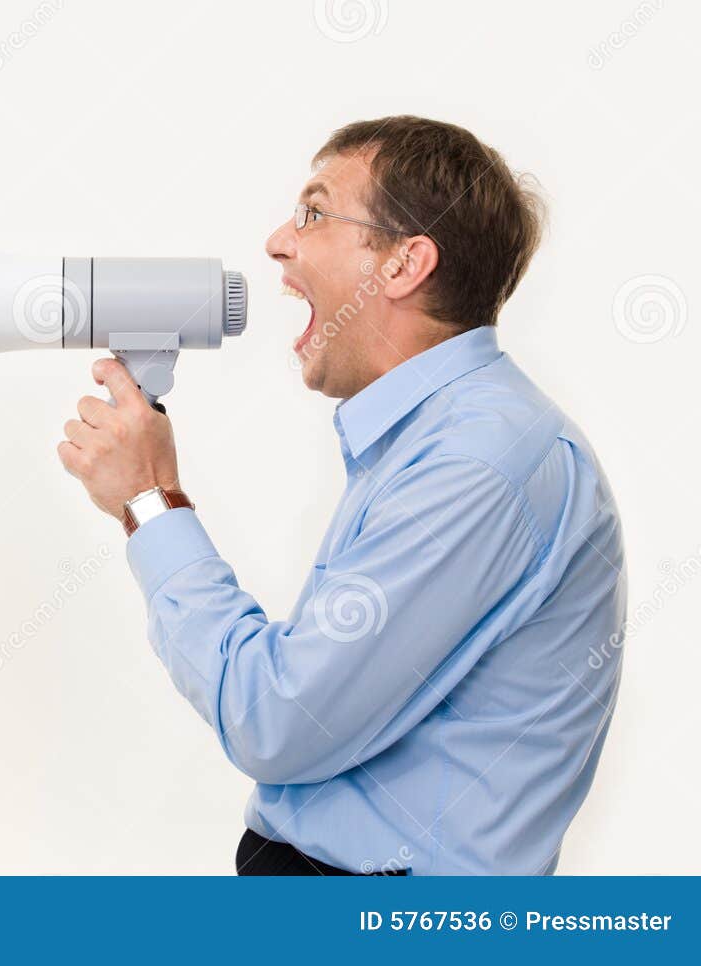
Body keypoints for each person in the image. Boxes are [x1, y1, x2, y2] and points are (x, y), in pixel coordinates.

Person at [58, 116, 624, 875]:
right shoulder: (444, 437)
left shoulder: (479, 462)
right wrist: (151, 496)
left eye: (315, 213)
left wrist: (149, 503)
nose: (277, 242)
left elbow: (280, 720)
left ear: (404, 264)